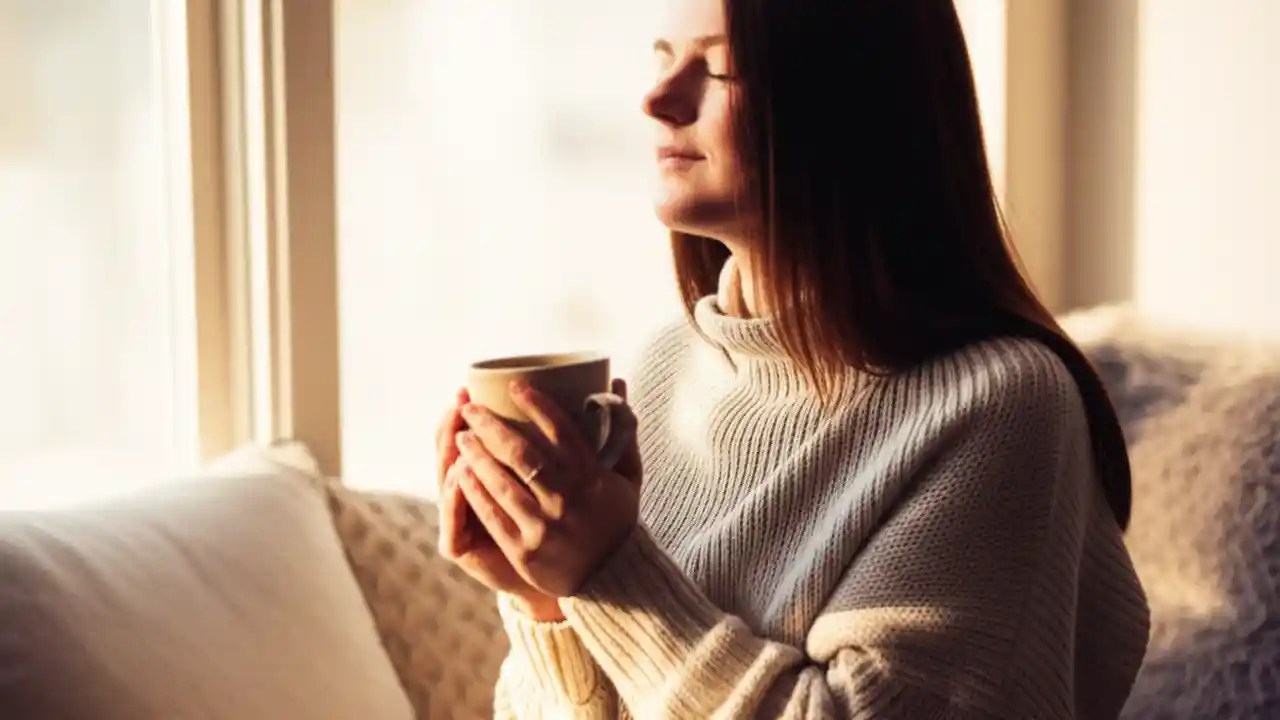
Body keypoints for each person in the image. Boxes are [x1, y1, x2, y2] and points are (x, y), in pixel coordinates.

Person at [435, 0, 1150, 717]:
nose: (656, 99)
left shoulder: (1001, 407)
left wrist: (609, 577)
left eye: (720, 67)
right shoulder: (664, 370)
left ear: (853, 100)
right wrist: (548, 602)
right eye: (661, 57)